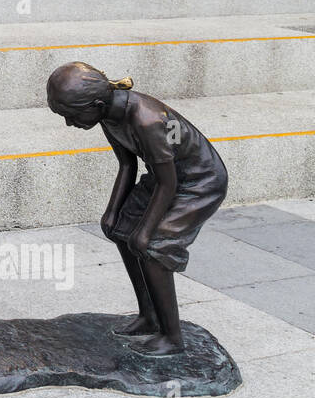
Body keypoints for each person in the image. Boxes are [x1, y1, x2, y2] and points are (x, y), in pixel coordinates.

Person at [46, 62, 228, 356]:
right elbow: (127, 163)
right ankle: (149, 317)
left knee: (153, 246)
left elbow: (170, 184)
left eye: (71, 116)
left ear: (96, 104)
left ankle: (172, 336)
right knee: (121, 231)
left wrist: (145, 232)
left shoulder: (148, 120)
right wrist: (112, 212)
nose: (69, 123)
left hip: (198, 184)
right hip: (164, 178)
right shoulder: (108, 114)